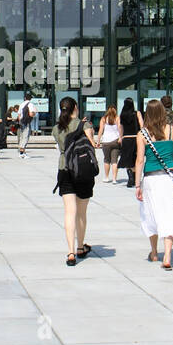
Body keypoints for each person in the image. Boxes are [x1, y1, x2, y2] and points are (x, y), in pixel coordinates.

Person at [135, 99, 173, 269]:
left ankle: (155, 252)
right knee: (169, 213)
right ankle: (168, 256)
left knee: (150, 213)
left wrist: (137, 185)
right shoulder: (172, 131)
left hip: (151, 178)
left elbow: (140, 160)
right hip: (169, 177)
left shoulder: (142, 134)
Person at [52, 97, 98, 266]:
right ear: (75, 108)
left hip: (64, 170)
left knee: (69, 212)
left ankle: (70, 252)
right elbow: (92, 145)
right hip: (83, 171)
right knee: (81, 212)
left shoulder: (56, 128)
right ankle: (80, 247)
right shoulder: (84, 125)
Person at [117, 97, 142, 187]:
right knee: (136, 158)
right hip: (136, 138)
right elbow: (142, 125)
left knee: (127, 158)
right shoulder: (137, 113)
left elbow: (120, 127)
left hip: (126, 138)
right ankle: (135, 178)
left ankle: (130, 177)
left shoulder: (122, 115)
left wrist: (120, 137)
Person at [98, 106, 122, 183]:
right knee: (114, 161)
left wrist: (98, 141)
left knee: (107, 160)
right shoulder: (117, 118)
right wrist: (120, 137)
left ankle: (107, 177)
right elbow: (120, 128)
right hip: (115, 141)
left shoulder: (104, 119)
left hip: (106, 142)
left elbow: (100, 130)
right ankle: (114, 179)